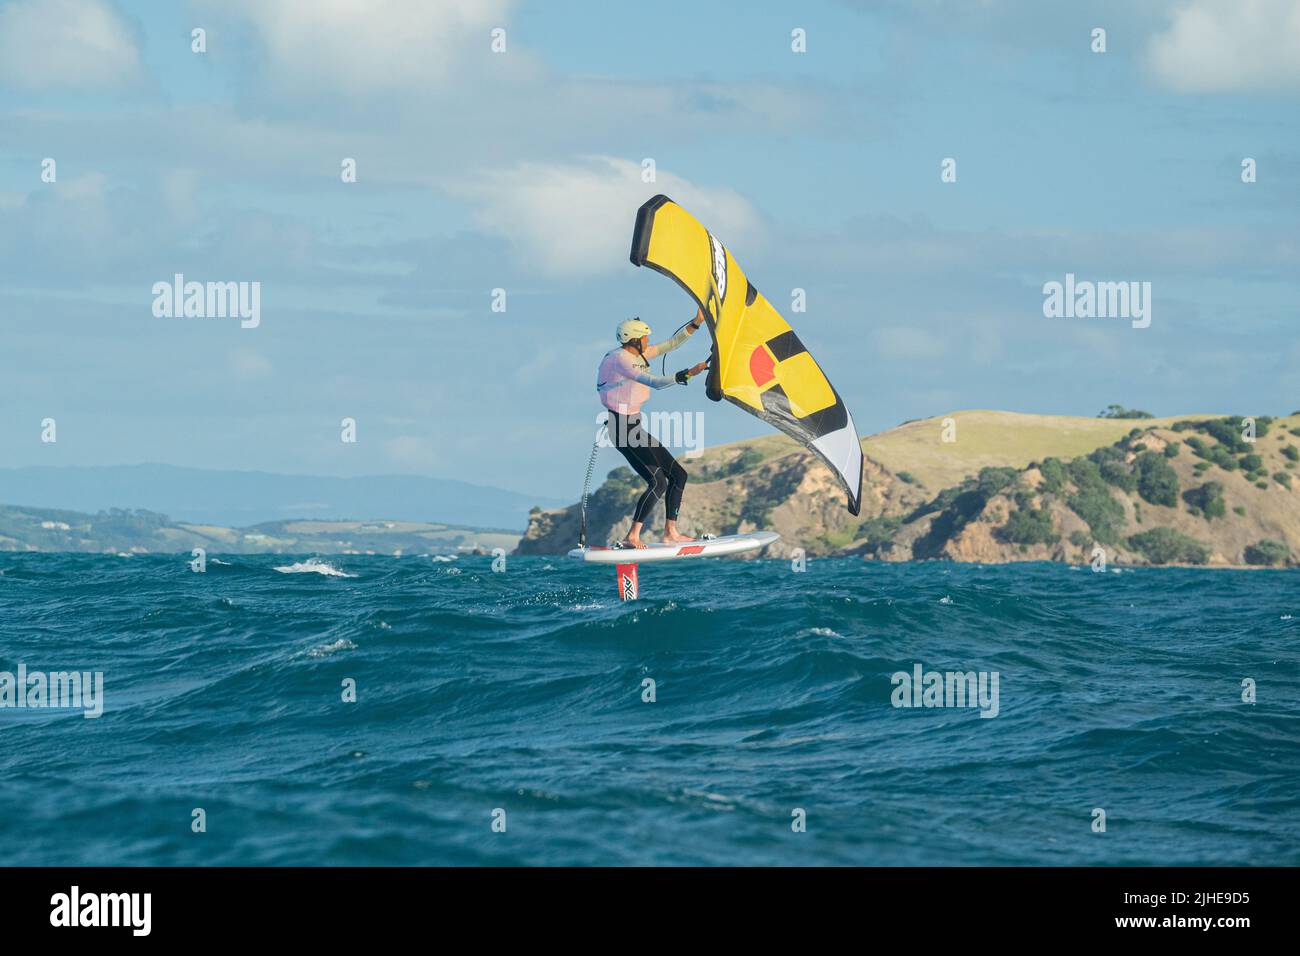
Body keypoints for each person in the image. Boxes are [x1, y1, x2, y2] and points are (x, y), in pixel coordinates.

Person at [596, 310, 709, 548]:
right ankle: (643, 535)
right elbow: (654, 383)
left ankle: (661, 533)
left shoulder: (636, 354)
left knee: (669, 479)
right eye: (645, 338)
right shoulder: (621, 360)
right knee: (668, 478)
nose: (649, 341)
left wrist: (697, 323)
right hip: (624, 429)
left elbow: (670, 345)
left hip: (631, 427)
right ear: (635, 339)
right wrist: (689, 373)